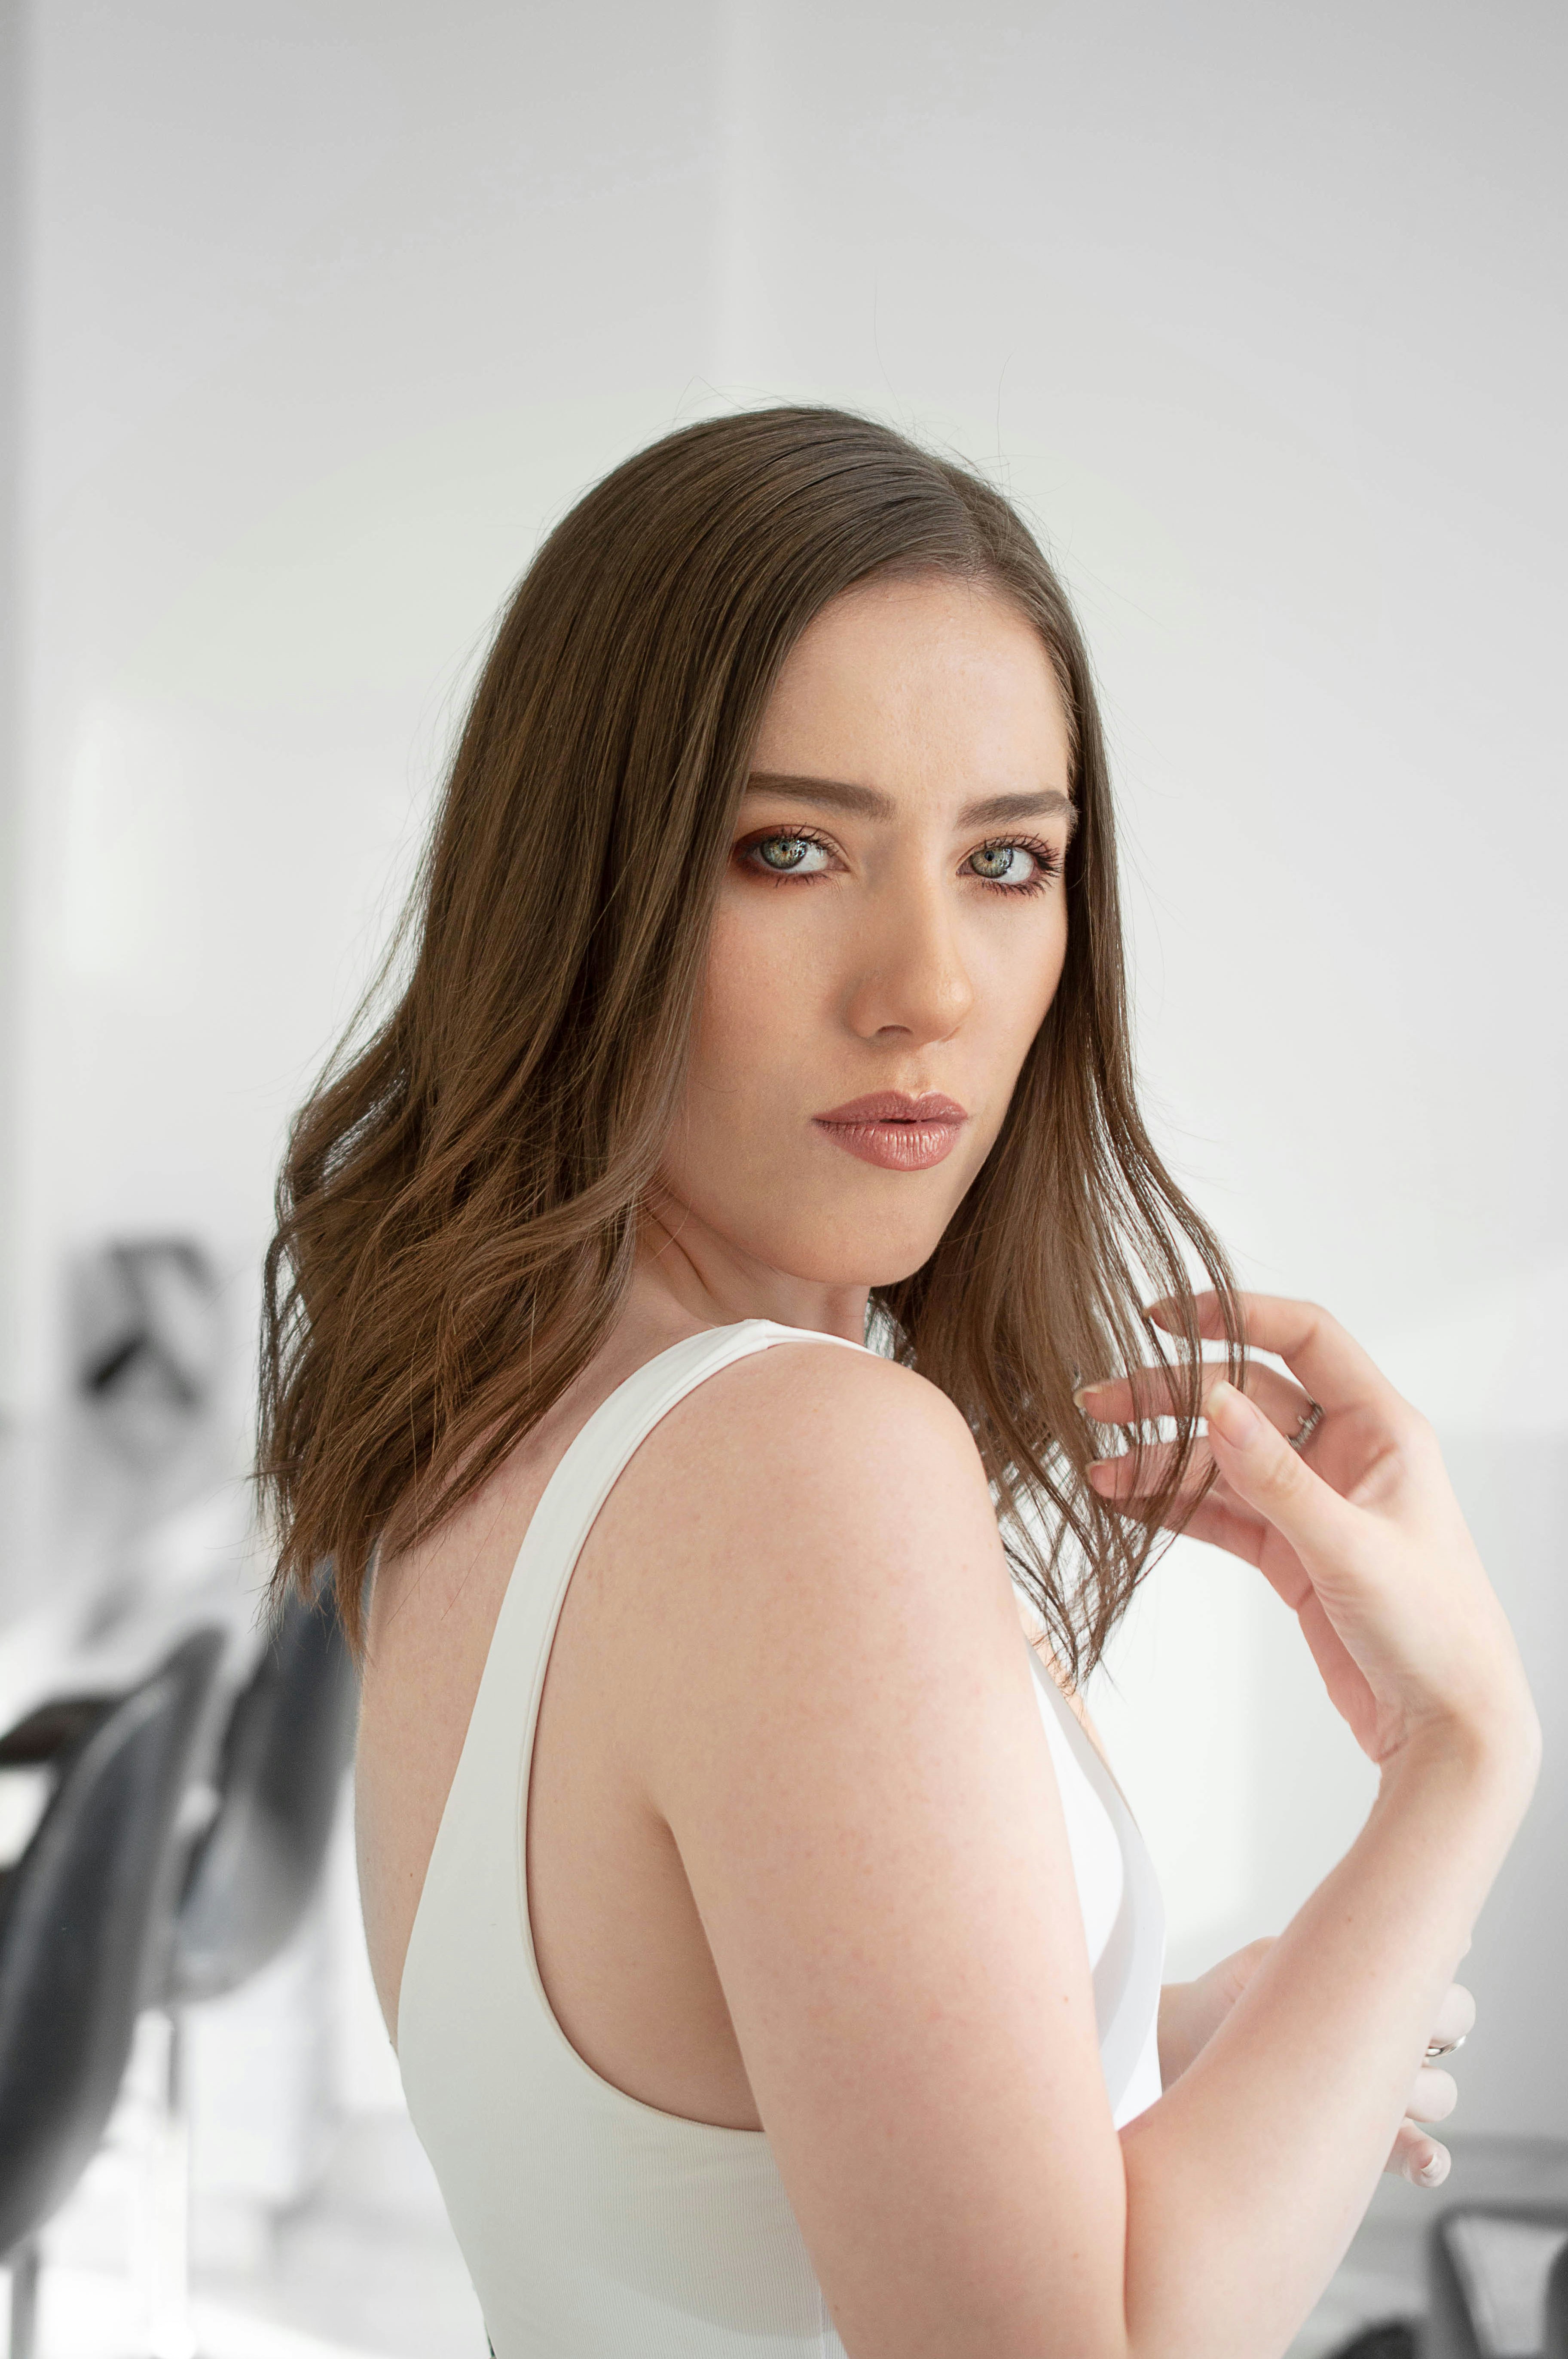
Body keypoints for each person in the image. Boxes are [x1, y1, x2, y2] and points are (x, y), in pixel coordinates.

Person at [258, 407, 1539, 2359]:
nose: (927, 981)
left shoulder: (499, 1428)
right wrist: (1460, 1764)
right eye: (791, 850)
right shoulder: (796, 1464)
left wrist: (1169, 2032)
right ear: (585, 888)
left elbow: (683, 2140)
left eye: (1008, 861)